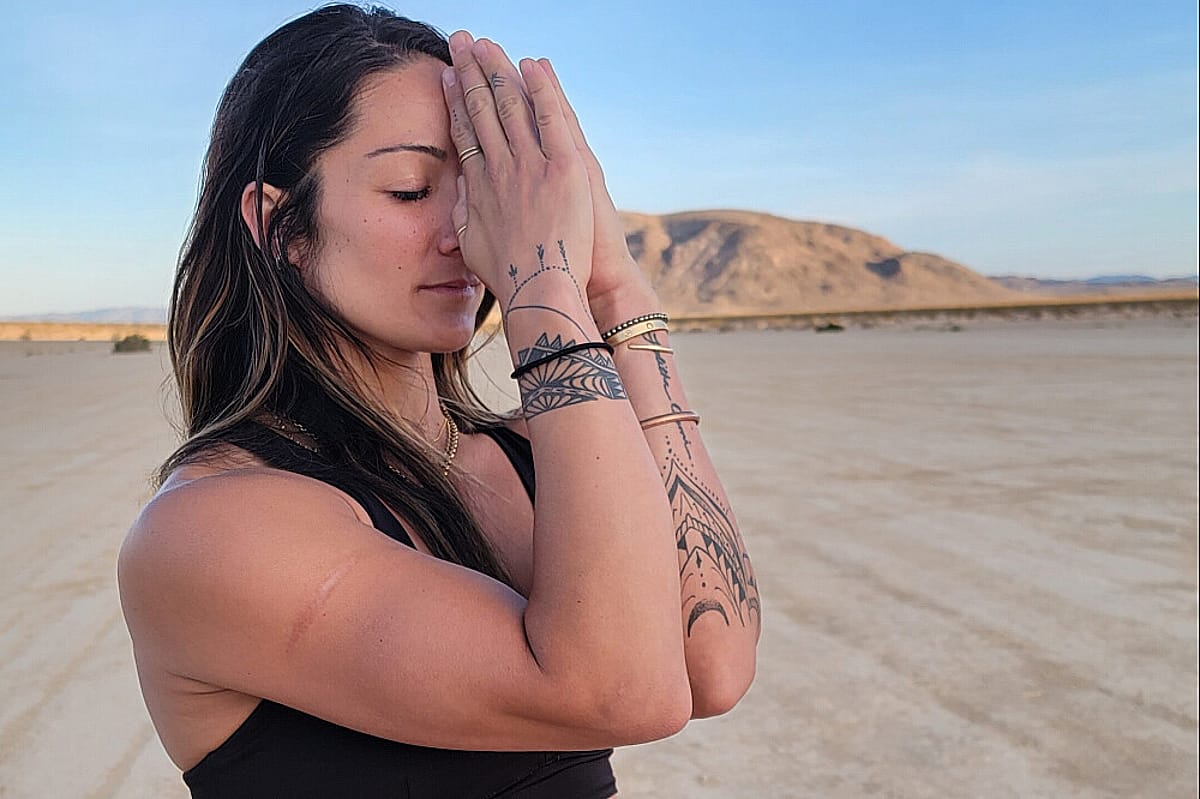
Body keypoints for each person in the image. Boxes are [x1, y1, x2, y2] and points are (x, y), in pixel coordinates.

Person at [117, 5, 761, 797]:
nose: (468, 230)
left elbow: (714, 665)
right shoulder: (213, 527)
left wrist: (611, 280)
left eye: (481, 191)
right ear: (279, 224)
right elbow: (625, 689)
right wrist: (540, 284)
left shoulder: (534, 454)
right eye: (412, 188)